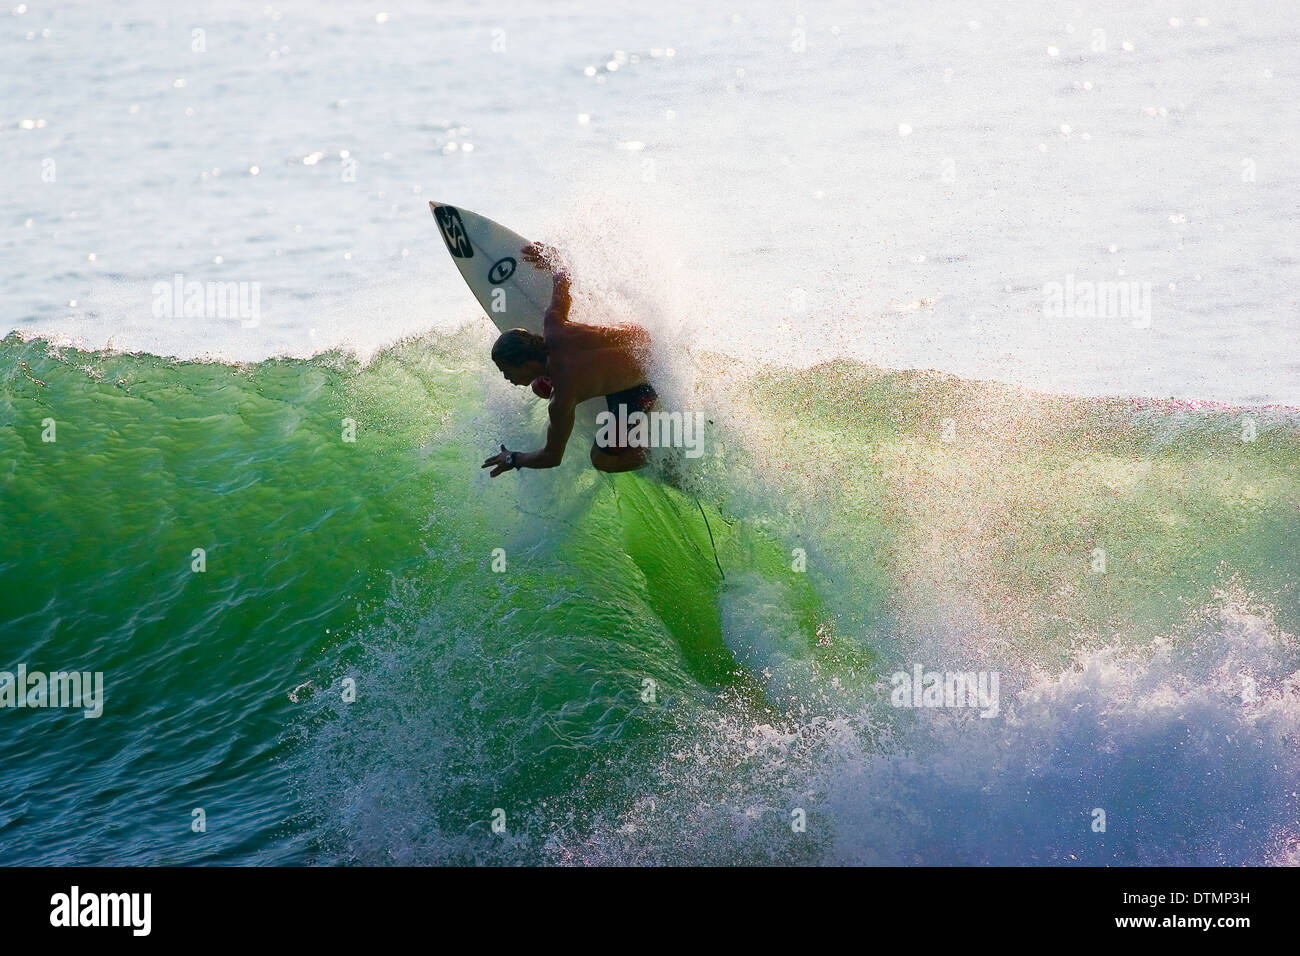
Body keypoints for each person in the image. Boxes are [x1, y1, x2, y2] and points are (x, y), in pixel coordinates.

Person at [482, 243, 657, 477]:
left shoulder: (562, 398)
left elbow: (552, 457)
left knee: (601, 459)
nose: (507, 378)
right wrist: (553, 258)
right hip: (642, 339)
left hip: (642, 385)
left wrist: (513, 458)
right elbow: (563, 275)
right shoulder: (553, 324)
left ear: (525, 363)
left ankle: (660, 458)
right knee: (540, 387)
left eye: (507, 371)